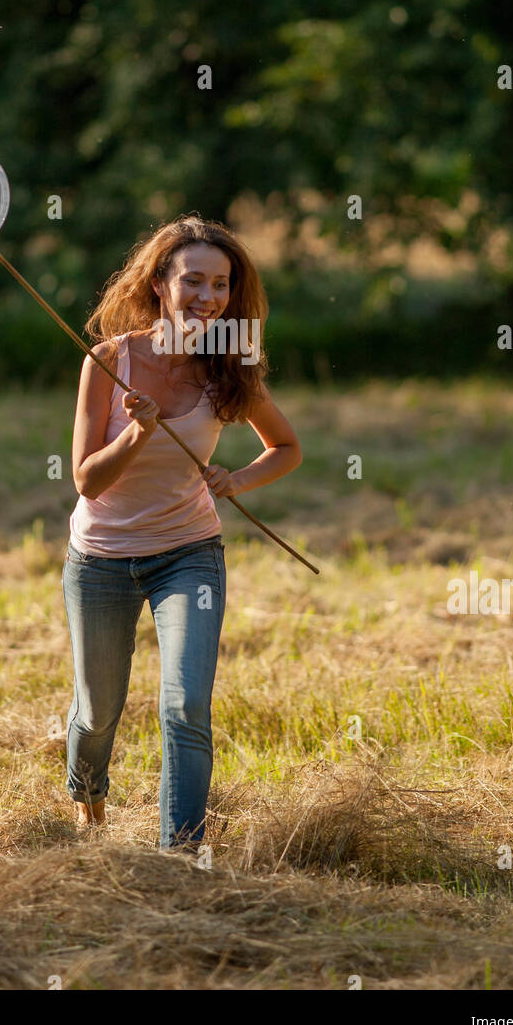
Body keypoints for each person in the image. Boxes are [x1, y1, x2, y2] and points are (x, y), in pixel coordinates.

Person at [61, 213, 302, 852]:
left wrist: (236, 480)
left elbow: (286, 447)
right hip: (101, 559)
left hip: (189, 554)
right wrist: (138, 433)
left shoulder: (228, 366)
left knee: (186, 705)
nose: (208, 297)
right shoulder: (109, 361)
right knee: (97, 711)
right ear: (159, 283)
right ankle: (88, 798)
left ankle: (183, 852)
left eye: (221, 285)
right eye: (193, 280)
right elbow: (87, 480)